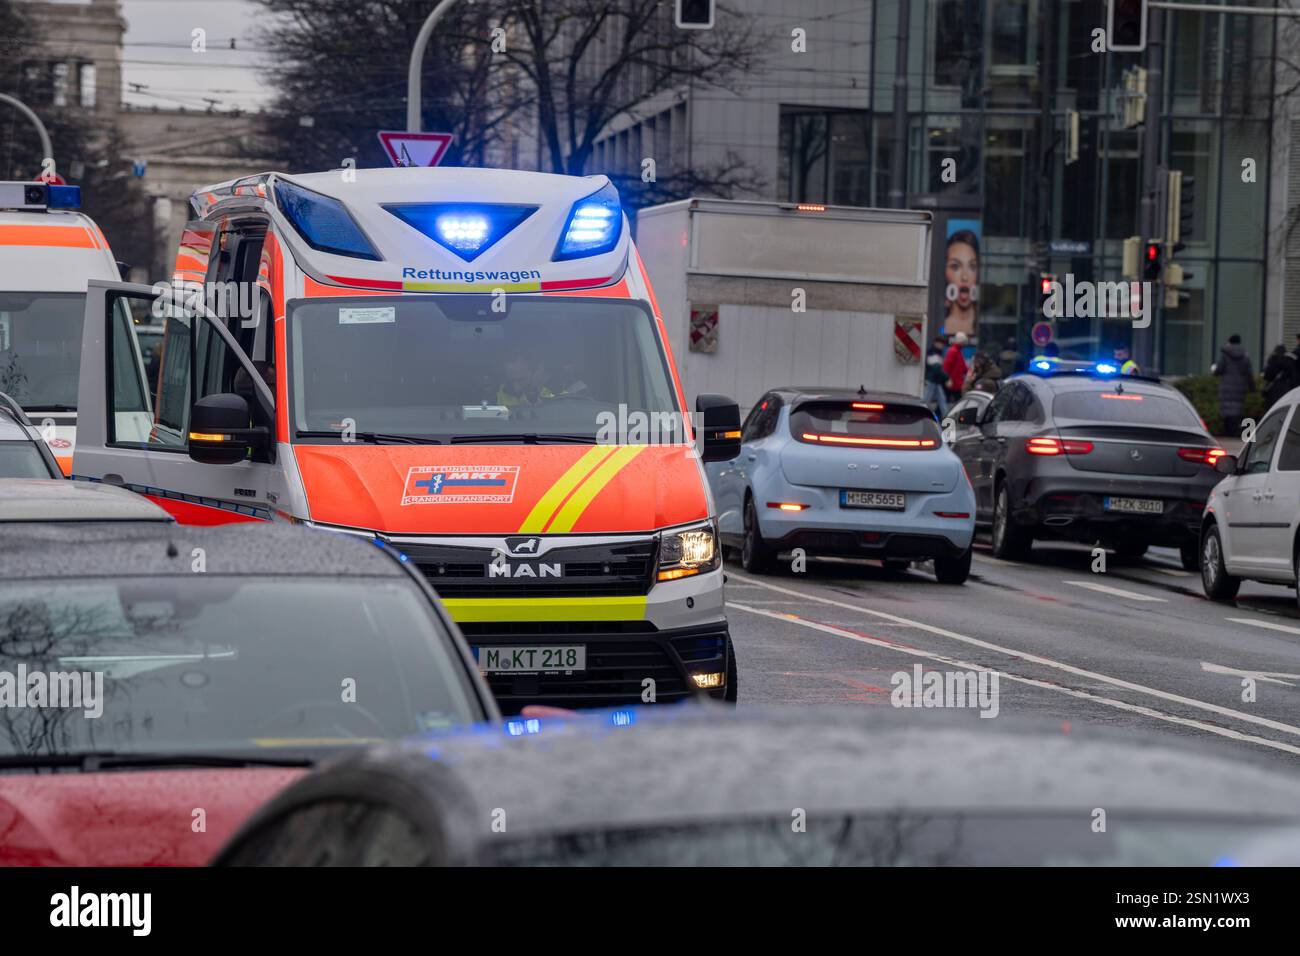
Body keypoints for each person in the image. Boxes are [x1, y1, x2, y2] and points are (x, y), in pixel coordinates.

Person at [1215, 334, 1255, 437]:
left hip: (1226, 387)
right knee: (1237, 411)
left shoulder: (1224, 355)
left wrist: (1214, 371)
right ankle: (1235, 432)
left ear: (1230, 341)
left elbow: (1219, 370)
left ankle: (1228, 432)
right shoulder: (1245, 356)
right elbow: (1249, 373)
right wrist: (1252, 388)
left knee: (1226, 411)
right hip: (1240, 388)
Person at [942, 231, 979, 337]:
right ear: (945, 272)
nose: (964, 277)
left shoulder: (983, 327)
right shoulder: (941, 324)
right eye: (955, 266)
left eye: (972, 267)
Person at [1263, 344, 1299, 408]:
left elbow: (1267, 376)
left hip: (1273, 391)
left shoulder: (1273, 360)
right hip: (1286, 391)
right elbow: (1294, 378)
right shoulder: (1289, 361)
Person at [923, 335, 949, 415]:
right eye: (941, 344)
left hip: (935, 381)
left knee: (941, 401)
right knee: (927, 401)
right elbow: (936, 368)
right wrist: (947, 378)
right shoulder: (933, 353)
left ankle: (947, 419)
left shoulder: (936, 352)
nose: (942, 346)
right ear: (936, 343)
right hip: (932, 381)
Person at [943, 331, 969, 401]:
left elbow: (963, 367)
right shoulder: (954, 352)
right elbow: (946, 367)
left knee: (946, 401)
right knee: (952, 401)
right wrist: (947, 379)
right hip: (952, 382)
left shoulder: (956, 351)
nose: (965, 344)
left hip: (954, 382)